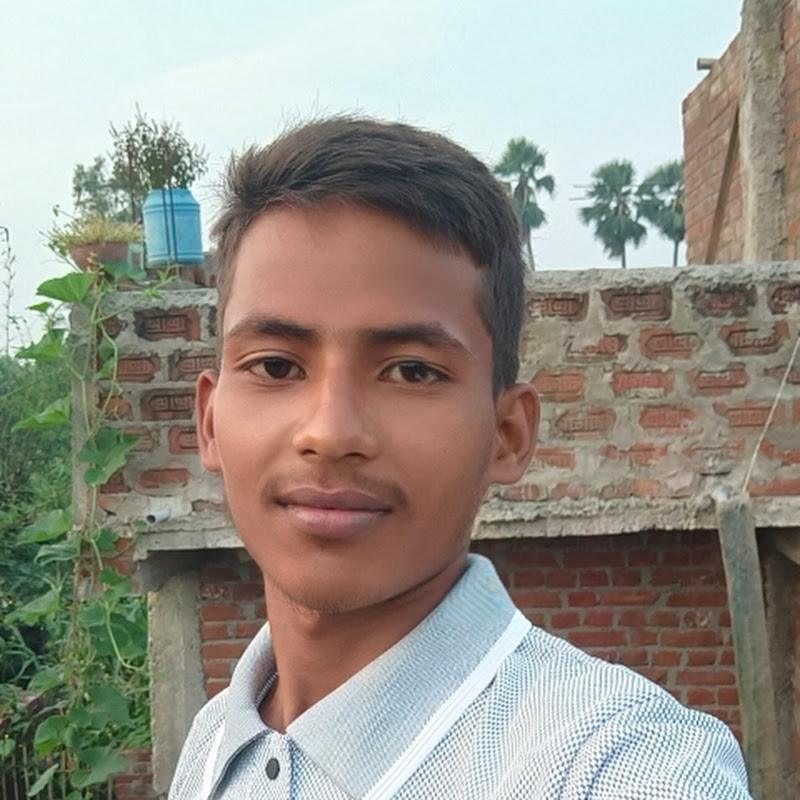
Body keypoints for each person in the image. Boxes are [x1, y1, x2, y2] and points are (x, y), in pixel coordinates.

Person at [169, 117, 752, 799]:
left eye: (412, 371)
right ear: (209, 421)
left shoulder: (619, 765)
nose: (329, 433)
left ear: (507, 435)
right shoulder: (213, 744)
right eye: (275, 365)